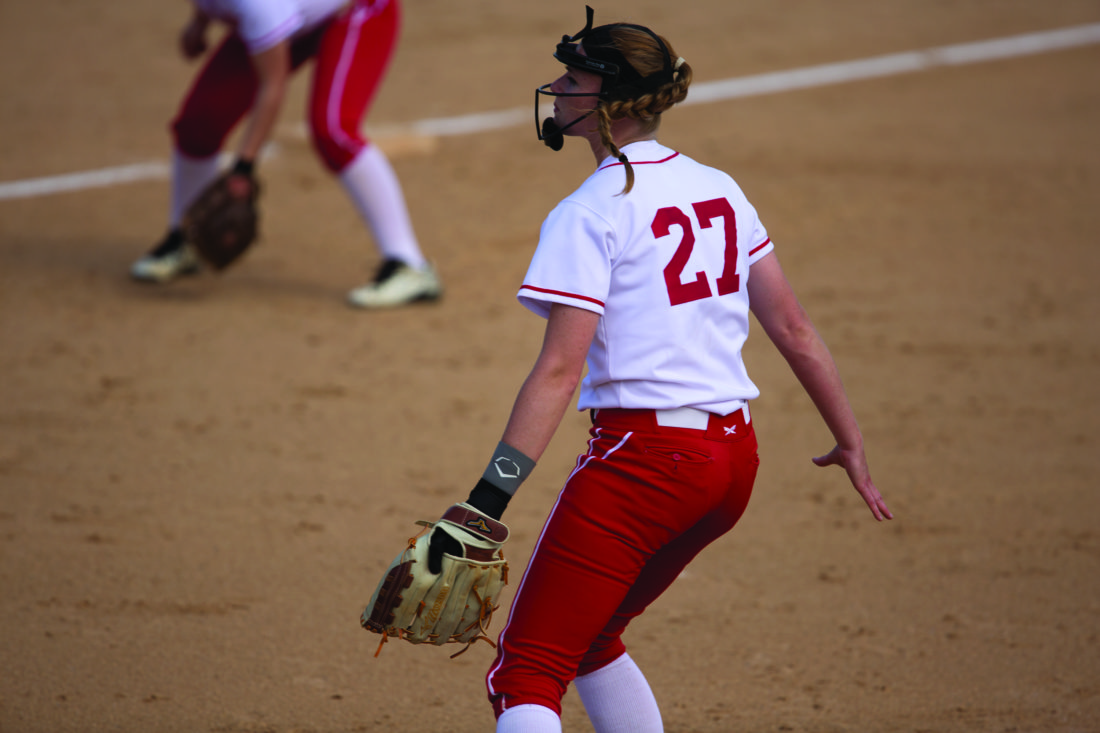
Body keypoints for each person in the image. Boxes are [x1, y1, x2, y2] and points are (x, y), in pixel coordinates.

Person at [436, 7, 893, 732]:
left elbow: (559, 372)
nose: (556, 86)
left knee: (526, 669)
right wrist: (851, 440)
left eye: (573, 76)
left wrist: (485, 502)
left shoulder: (588, 212)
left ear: (609, 98)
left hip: (644, 465)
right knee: (592, 640)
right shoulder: (719, 188)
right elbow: (795, 329)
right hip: (732, 463)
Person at [129, 0, 441, 309]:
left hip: (358, 10)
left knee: (333, 129)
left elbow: (272, 87)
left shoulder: (258, 5)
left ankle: (409, 265)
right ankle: (186, 241)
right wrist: (199, 24)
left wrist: (244, 167)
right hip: (294, 17)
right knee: (199, 123)